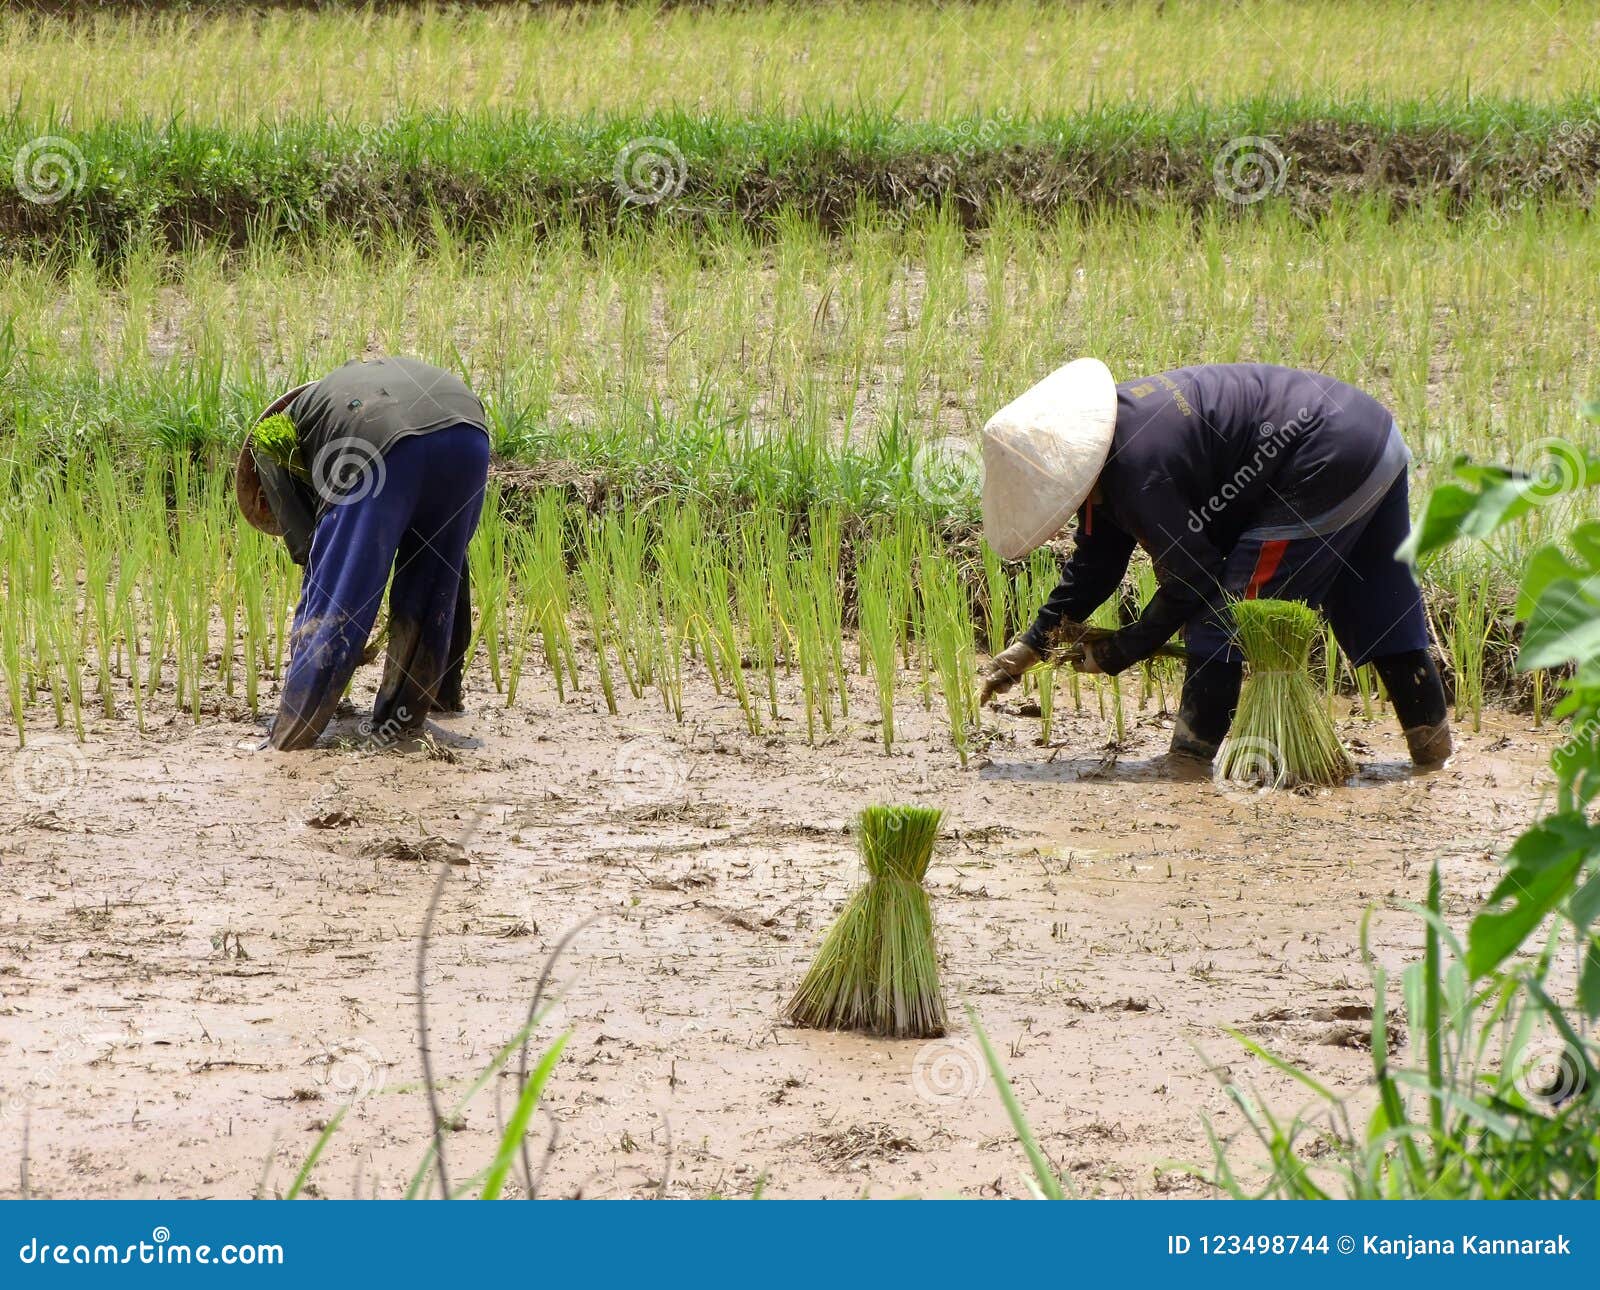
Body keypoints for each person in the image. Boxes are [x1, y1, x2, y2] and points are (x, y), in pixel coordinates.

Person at [976, 359, 1452, 769]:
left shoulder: (1140, 472)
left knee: (1224, 615)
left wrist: (1120, 650)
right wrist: (1031, 645)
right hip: (1371, 436)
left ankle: (1189, 761)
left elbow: (1194, 579)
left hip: (1323, 455)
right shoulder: (1113, 444)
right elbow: (1097, 565)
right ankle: (1434, 756)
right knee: (1376, 600)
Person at [234, 355, 492, 751]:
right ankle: (406, 719)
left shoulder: (273, 441)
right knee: (439, 575)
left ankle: (293, 734)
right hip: (468, 438)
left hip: (379, 444)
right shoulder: (338, 397)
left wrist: (326, 567)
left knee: (340, 594)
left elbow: (310, 546)